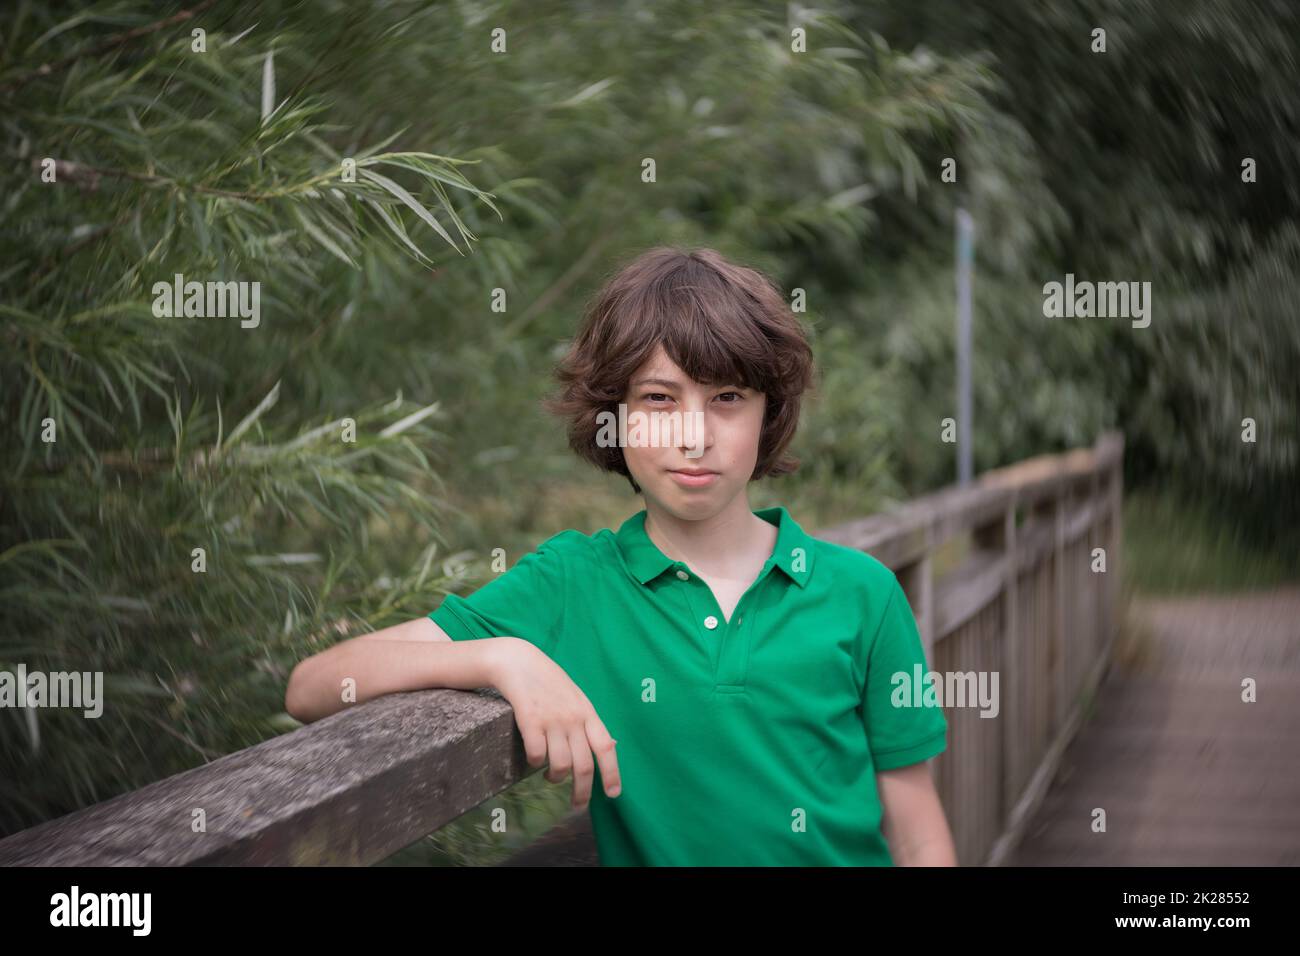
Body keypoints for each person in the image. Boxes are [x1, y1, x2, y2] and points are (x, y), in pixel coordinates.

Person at [285, 246, 957, 866]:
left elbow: (919, 832)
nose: (694, 436)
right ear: (616, 417)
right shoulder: (572, 584)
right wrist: (502, 656)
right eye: (659, 399)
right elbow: (315, 685)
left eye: (727, 398)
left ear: (769, 413)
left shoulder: (863, 593)